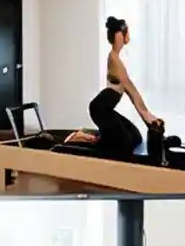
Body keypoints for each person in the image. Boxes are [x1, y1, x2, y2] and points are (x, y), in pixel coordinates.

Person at [64, 16, 162, 159]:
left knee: (136, 137)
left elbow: (130, 88)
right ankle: (79, 139)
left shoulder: (116, 58)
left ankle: (97, 138)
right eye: (126, 31)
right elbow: (130, 88)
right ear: (119, 35)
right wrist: (146, 115)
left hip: (106, 109)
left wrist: (147, 115)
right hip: (100, 109)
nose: (128, 35)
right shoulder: (114, 59)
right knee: (123, 146)